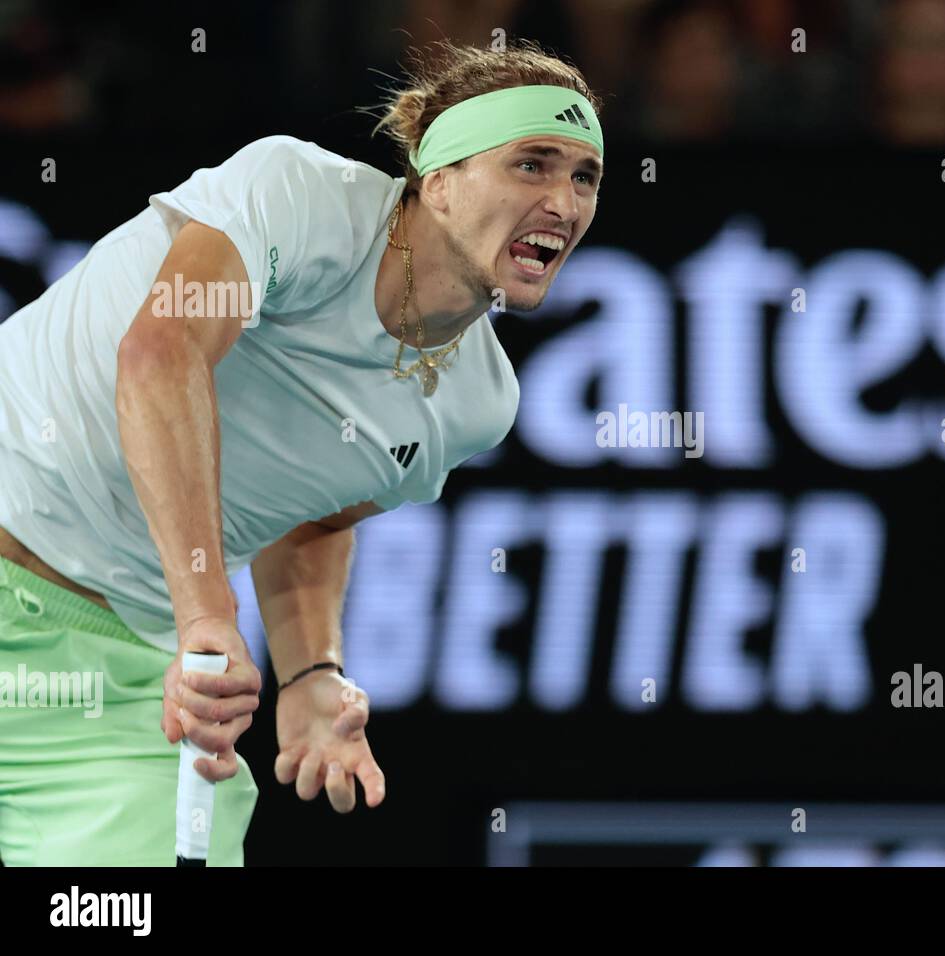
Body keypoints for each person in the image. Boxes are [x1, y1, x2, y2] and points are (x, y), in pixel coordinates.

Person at [0, 38, 604, 865]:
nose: (563, 204)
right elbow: (162, 350)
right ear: (441, 179)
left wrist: (312, 671)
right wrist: (209, 616)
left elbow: (311, 516)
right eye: (532, 164)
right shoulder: (298, 197)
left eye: (584, 177)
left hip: (109, 673)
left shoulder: (477, 405)